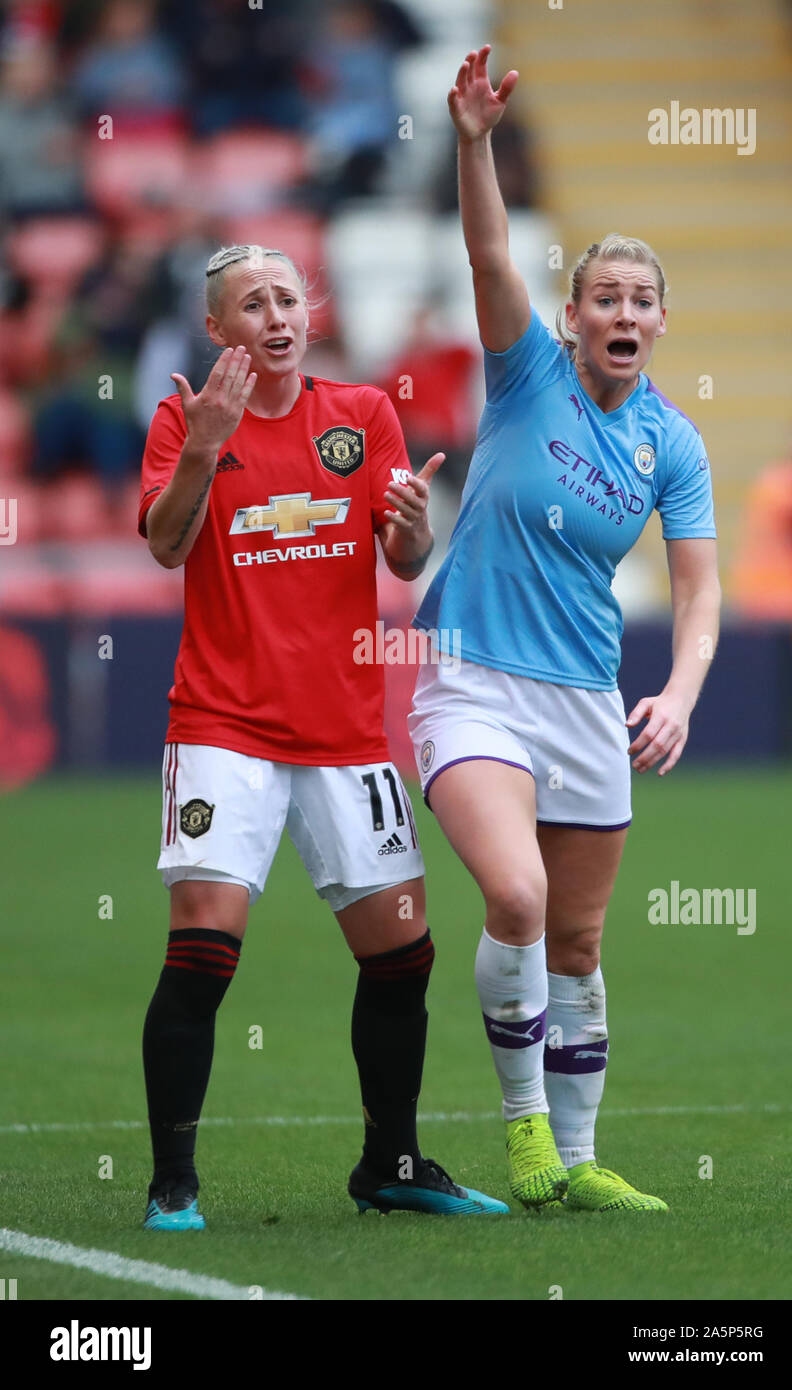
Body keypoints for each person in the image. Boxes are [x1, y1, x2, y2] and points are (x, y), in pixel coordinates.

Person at [137, 242, 508, 1228]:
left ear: (312, 310)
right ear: (218, 330)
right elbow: (166, 541)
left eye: (287, 297)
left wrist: (413, 527)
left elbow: (405, 553)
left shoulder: (362, 416)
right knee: (204, 950)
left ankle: (390, 1160)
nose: (276, 316)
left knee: (402, 956)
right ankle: (173, 1180)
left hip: (345, 733)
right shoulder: (184, 420)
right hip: (224, 724)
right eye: (251, 304)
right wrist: (208, 447)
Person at [408, 49, 722, 1213]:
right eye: (606, 298)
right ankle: (525, 1135)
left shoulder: (673, 445)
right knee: (522, 900)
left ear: (658, 321)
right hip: (473, 683)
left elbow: (698, 590)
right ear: (574, 315)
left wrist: (681, 689)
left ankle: (582, 1159)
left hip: (586, 698)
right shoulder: (524, 369)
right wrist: (476, 139)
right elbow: (490, 251)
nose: (624, 314)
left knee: (581, 946)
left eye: (643, 300)